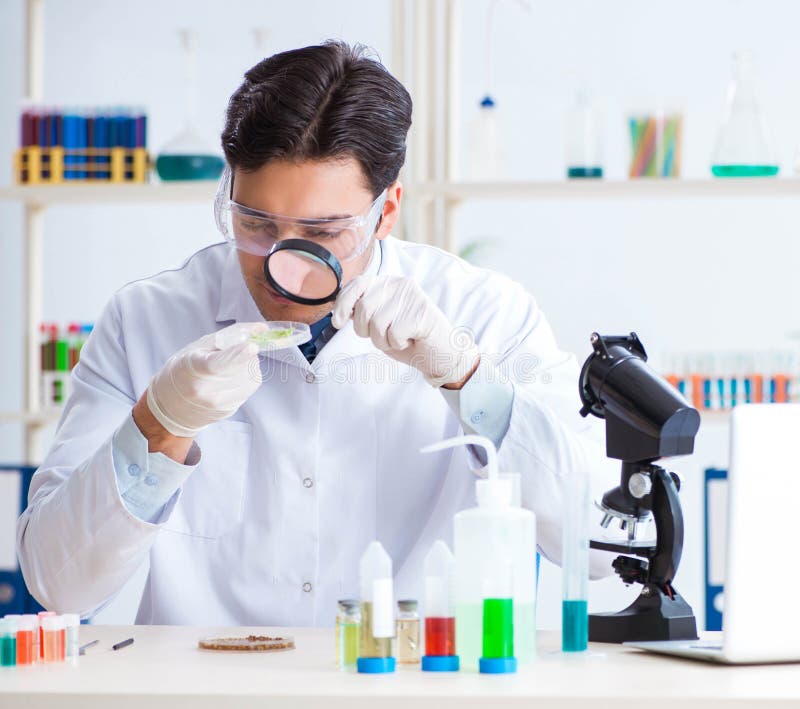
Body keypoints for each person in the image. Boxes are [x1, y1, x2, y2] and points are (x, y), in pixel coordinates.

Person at [17, 41, 615, 625]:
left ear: (387, 210)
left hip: (413, 688)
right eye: (255, 223)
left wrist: (467, 377)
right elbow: (58, 586)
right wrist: (159, 425)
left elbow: (601, 547)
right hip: (206, 690)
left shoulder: (486, 314)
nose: (285, 267)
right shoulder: (144, 320)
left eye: (324, 232)